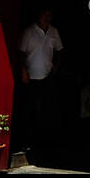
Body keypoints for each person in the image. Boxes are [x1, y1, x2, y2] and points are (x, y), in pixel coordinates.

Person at [18, 9, 63, 154]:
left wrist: (56, 67)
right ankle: (27, 141)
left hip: (47, 76)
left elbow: (60, 50)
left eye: (50, 15)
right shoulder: (29, 32)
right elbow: (21, 53)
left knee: (47, 108)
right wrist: (23, 71)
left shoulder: (53, 32)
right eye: (44, 15)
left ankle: (44, 142)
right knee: (29, 109)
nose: (47, 18)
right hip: (31, 77)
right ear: (38, 16)